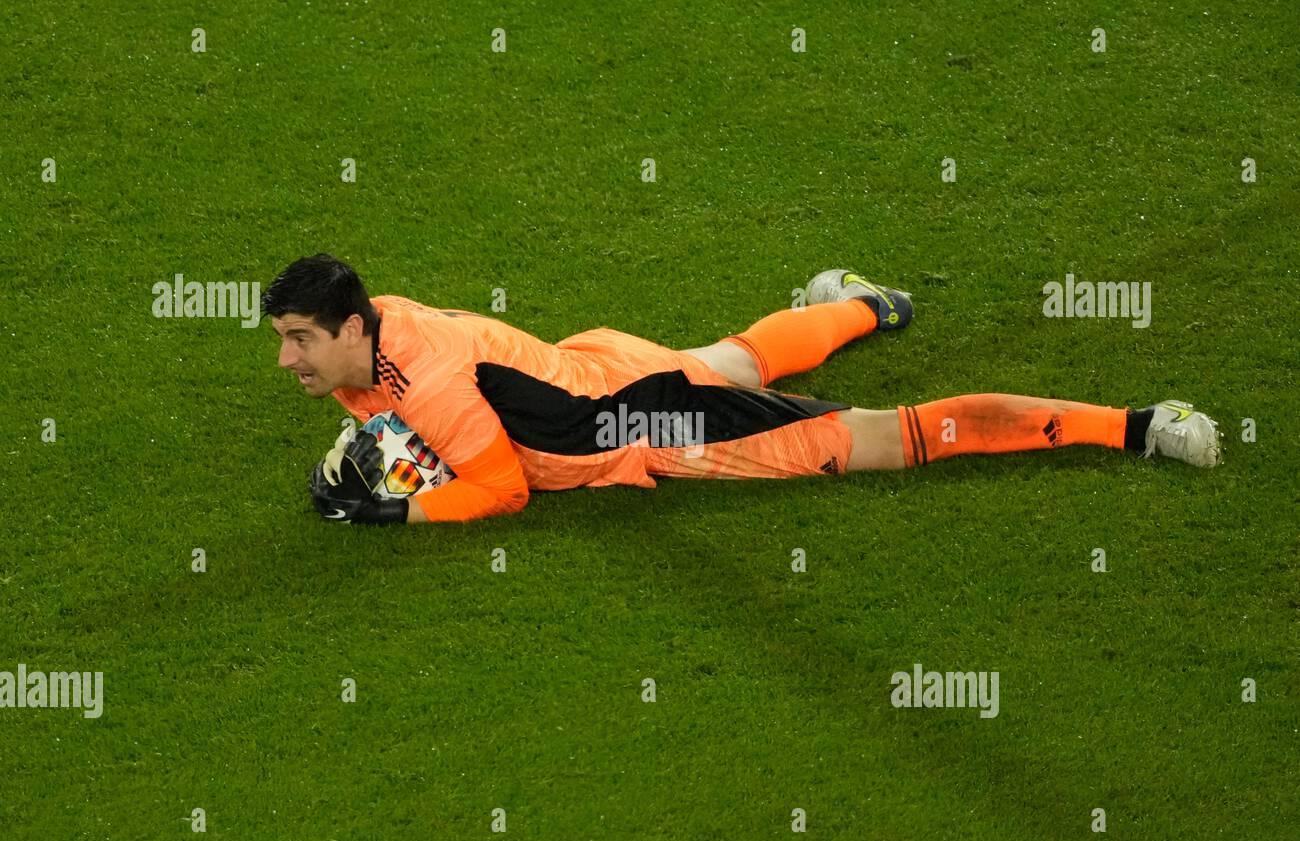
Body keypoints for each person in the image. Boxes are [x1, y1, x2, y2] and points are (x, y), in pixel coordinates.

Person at [263, 254, 1221, 525]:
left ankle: (1134, 425)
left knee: (884, 439)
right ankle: (856, 303)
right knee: (740, 353)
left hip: (657, 421)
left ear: (350, 327)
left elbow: (504, 487)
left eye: (299, 341)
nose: (287, 361)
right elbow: (382, 396)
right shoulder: (379, 319)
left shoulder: (422, 370)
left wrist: (401, 515)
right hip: (600, 365)